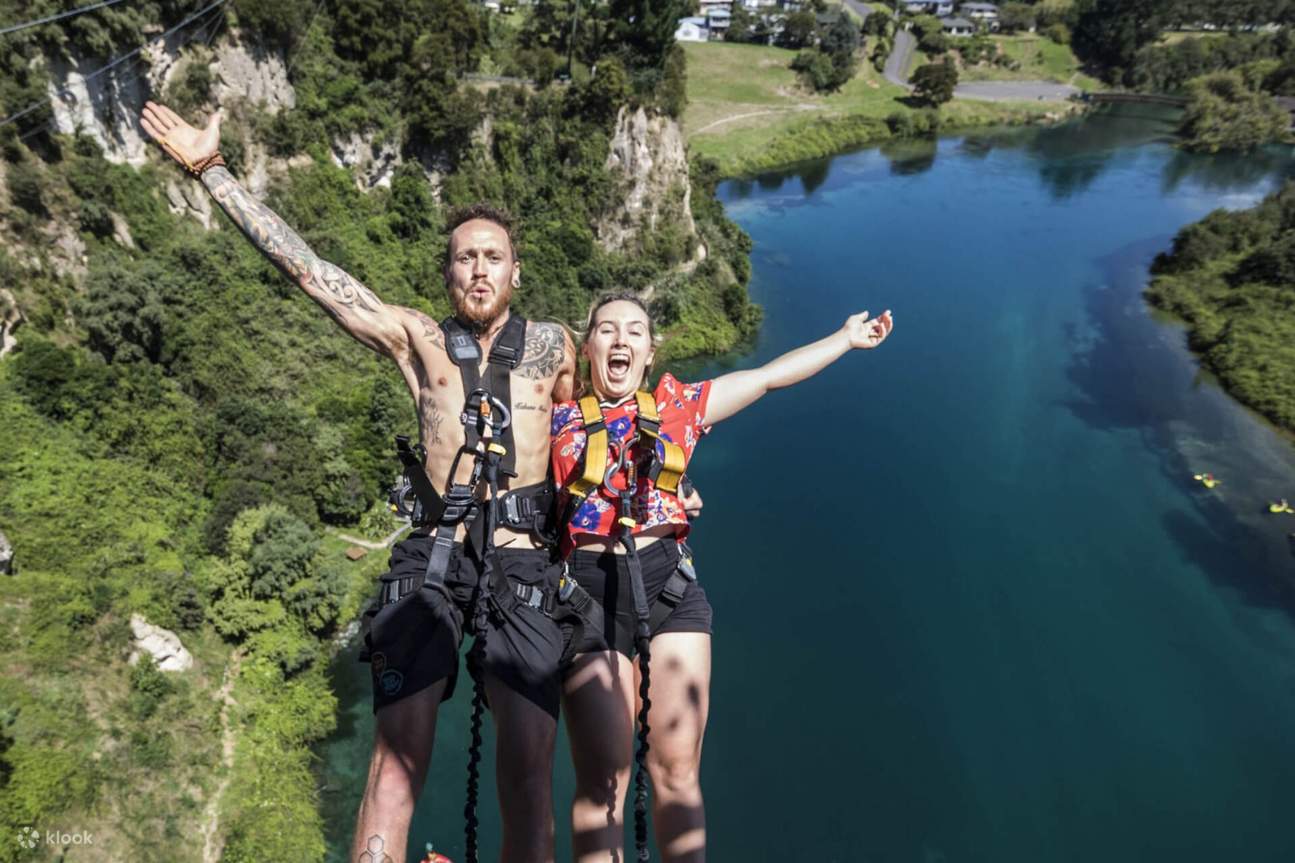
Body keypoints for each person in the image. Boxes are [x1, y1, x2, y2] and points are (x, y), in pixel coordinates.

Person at [139, 101, 580, 863]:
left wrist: (651, 504)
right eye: (464, 257)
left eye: (492, 256)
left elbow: (584, 441)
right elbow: (311, 272)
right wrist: (212, 171)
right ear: (447, 272)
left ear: (516, 270)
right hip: (434, 552)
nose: (478, 268)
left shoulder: (553, 346)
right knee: (392, 763)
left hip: (521, 557)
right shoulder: (416, 337)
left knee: (529, 772)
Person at [551, 294, 894, 862]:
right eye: (606, 330)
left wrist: (844, 339)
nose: (620, 339)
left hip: (668, 587)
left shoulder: (677, 405)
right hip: (588, 595)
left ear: (649, 351)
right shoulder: (556, 417)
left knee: (677, 771)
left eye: (634, 331)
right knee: (603, 782)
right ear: (587, 349)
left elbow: (766, 378)